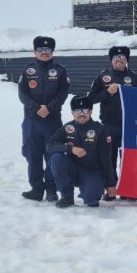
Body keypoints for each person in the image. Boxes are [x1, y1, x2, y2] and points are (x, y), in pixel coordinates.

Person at [18, 35, 69, 202]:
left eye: (48, 50)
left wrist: (49, 108)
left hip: (52, 121)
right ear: (35, 52)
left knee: (52, 155)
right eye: (41, 50)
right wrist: (36, 108)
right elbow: (22, 94)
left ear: (52, 52)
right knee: (32, 156)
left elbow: (63, 94)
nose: (44, 52)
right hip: (31, 121)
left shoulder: (60, 70)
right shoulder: (27, 70)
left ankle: (51, 190)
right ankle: (36, 189)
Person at [87, 46, 137, 200]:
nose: (119, 60)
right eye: (116, 58)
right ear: (111, 60)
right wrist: (107, 93)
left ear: (127, 60)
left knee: (128, 159)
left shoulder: (135, 78)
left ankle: (128, 190)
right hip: (109, 125)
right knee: (108, 158)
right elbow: (91, 99)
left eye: (123, 57)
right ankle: (111, 189)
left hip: (129, 126)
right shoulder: (102, 77)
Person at [46, 96, 118, 209]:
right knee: (56, 158)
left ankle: (91, 191)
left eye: (85, 110)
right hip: (73, 170)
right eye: (77, 111)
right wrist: (70, 149)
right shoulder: (68, 127)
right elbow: (50, 145)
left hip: (92, 172)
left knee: (92, 199)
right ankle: (67, 197)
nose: (81, 114)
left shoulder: (100, 130)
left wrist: (110, 184)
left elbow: (107, 159)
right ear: (72, 112)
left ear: (90, 112)